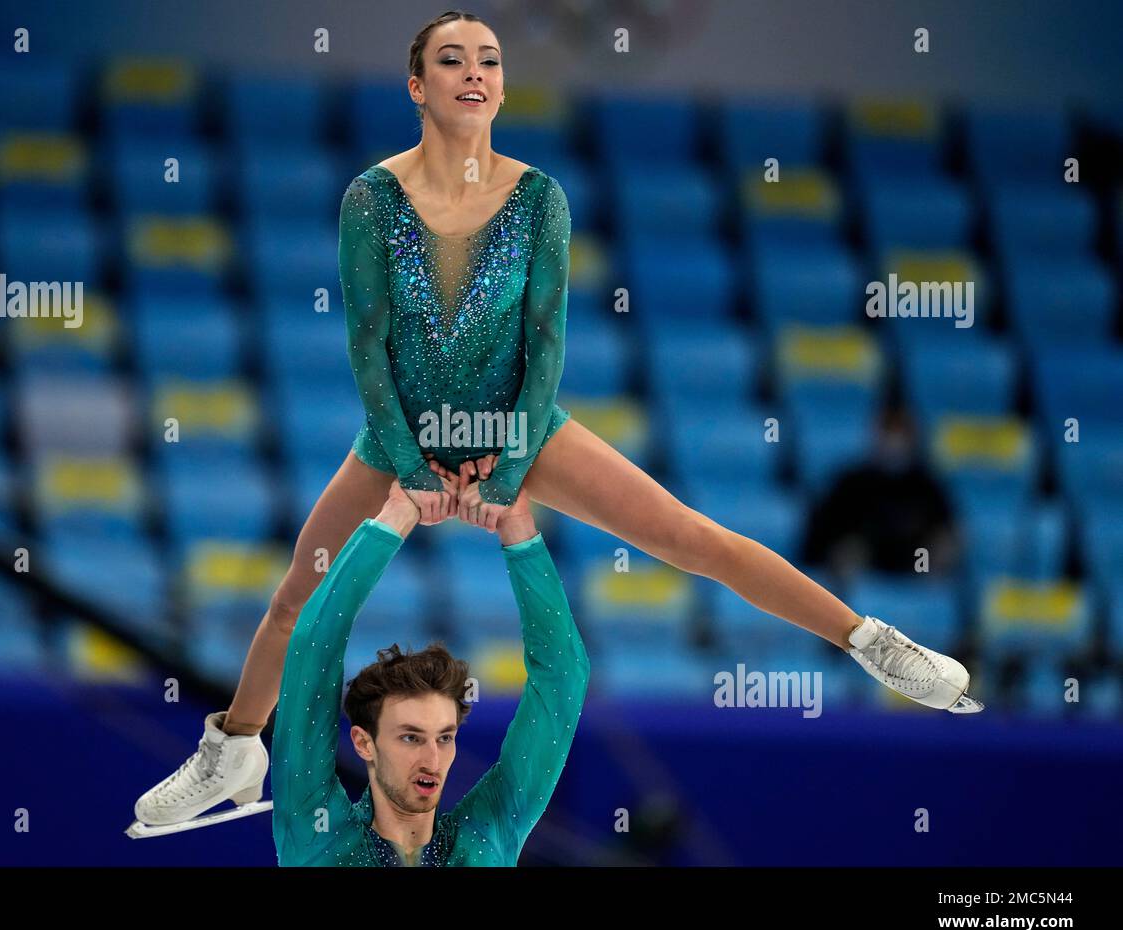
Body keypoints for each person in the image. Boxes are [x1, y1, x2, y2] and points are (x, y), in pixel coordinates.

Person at [133, 8, 981, 835]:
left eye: (490, 60)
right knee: (294, 596)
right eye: (454, 60)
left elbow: (546, 342)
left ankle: (871, 640)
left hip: (520, 427)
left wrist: (505, 464)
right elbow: (368, 341)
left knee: (693, 539)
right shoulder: (372, 198)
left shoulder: (539, 199)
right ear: (416, 86)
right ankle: (234, 751)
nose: (475, 73)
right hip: (401, 432)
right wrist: (409, 459)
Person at [270, 480, 586, 865]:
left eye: (445, 737)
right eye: (411, 737)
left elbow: (563, 677)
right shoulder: (316, 833)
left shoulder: (486, 837)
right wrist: (396, 515)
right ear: (364, 742)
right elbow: (314, 642)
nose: (432, 760)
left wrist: (518, 526)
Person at [802, 404, 960, 578]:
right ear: (875, 435)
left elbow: (948, 531)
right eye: (888, 431)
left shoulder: (928, 485)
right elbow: (819, 537)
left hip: (913, 571)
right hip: (862, 573)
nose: (894, 442)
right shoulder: (851, 483)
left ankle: (924, 603)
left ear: (913, 437)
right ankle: (850, 601)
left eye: (900, 433)